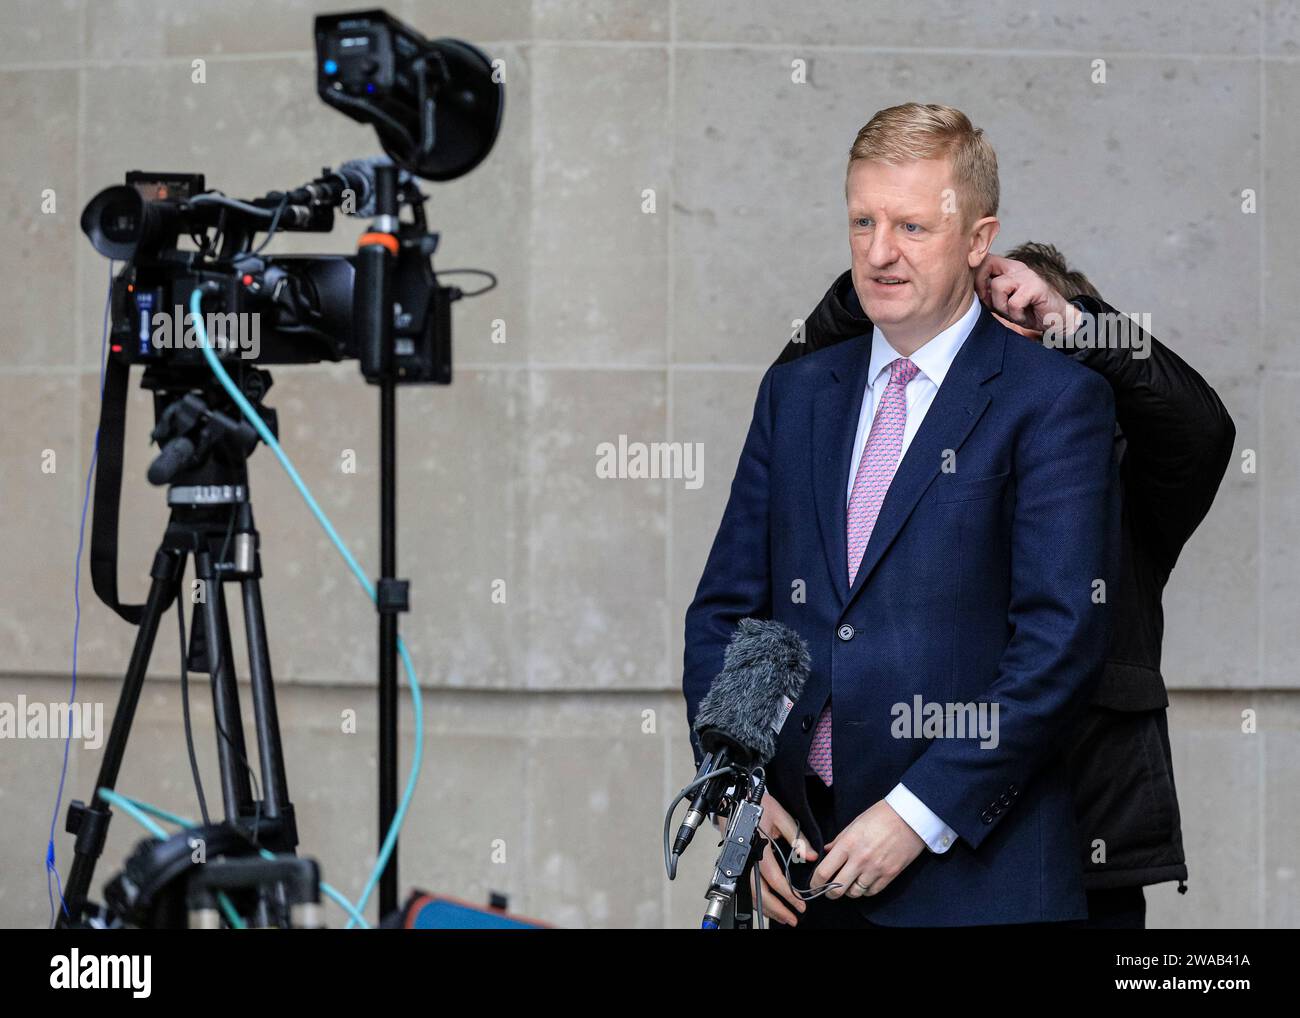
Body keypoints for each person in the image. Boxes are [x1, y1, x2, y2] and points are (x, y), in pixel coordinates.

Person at [683, 102, 1121, 927]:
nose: (879, 253)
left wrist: (916, 813)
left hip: (978, 888)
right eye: (863, 220)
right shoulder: (797, 394)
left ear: (978, 238)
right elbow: (728, 614)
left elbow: (1061, 644)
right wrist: (739, 790)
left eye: (913, 226)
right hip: (799, 877)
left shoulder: (1055, 403)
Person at [768, 243, 1235, 928]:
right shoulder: (905, 463)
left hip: (1071, 844)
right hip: (873, 834)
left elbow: (1202, 428)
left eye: (1016, 319)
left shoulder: (1123, 475)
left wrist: (1075, 321)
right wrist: (885, 278)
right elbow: (789, 404)